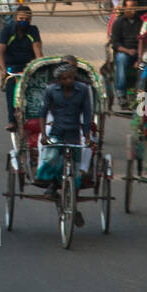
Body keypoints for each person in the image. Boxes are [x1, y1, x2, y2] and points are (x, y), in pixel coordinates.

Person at [39, 62, 94, 227]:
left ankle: (73, 206)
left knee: (75, 169)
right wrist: (43, 135)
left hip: (74, 132)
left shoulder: (83, 90)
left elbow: (87, 113)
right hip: (57, 130)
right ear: (59, 80)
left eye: (70, 77)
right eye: (64, 79)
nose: (68, 81)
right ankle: (53, 184)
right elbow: (42, 113)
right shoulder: (51, 91)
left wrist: (86, 135)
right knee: (52, 157)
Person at [0, 4, 43, 131]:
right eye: (21, 19)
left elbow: (37, 49)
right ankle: (11, 120)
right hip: (12, 66)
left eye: (27, 20)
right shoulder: (7, 30)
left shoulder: (33, 30)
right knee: (11, 85)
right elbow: (0, 51)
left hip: (28, 66)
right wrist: (3, 69)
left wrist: (39, 66)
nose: (24, 22)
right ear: (15, 18)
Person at [110, 0, 144, 104]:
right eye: (130, 8)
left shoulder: (142, 22)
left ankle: (142, 94)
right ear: (124, 8)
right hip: (124, 52)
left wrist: (139, 57)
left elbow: (144, 40)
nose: (133, 11)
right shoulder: (118, 23)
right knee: (122, 58)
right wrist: (128, 51)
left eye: (135, 7)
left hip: (140, 52)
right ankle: (121, 93)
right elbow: (115, 44)